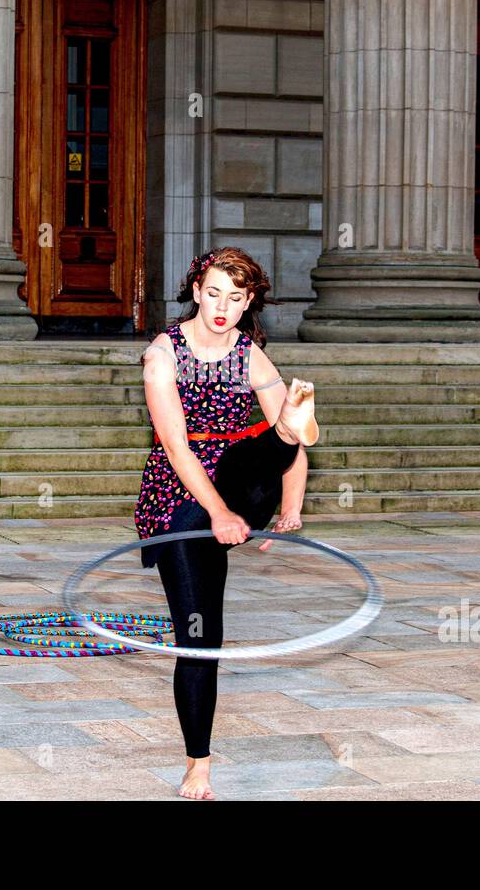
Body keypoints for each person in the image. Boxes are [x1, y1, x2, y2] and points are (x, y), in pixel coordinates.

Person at [133, 246, 319, 800]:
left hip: (241, 480)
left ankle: (289, 425)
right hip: (179, 501)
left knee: (270, 441)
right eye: (213, 293)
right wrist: (217, 514)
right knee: (200, 637)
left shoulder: (250, 355)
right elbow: (176, 447)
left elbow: (295, 461)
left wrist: (290, 510)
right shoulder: (162, 355)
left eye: (236, 298)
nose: (222, 307)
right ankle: (198, 764)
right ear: (196, 291)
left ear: (248, 303)